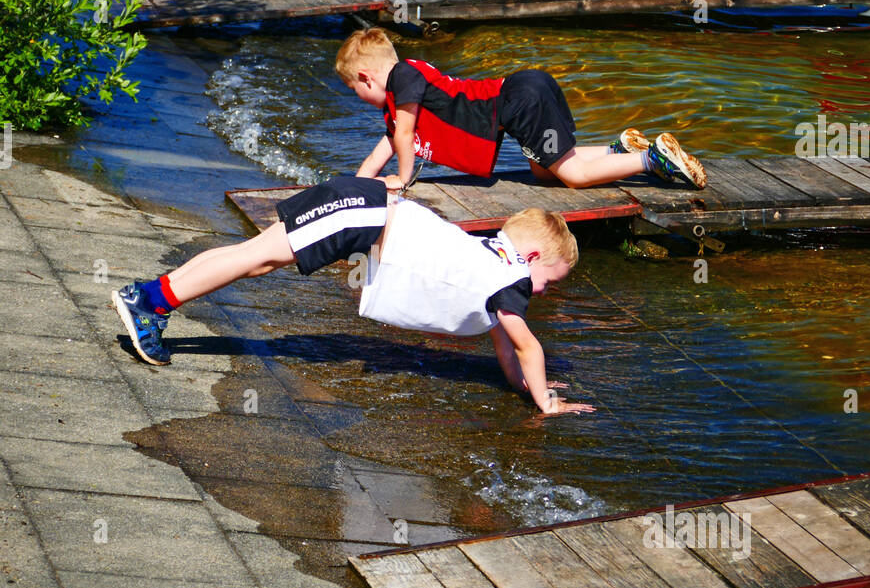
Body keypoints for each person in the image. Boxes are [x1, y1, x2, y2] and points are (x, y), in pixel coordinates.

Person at [112, 176, 593, 415]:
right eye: (550, 280)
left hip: (364, 204)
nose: (543, 291)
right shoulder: (506, 280)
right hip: (361, 217)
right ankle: (149, 303)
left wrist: (525, 386)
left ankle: (151, 297)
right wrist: (547, 402)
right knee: (253, 260)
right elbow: (526, 344)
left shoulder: (494, 258)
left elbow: (505, 346)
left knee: (252, 256)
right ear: (530, 257)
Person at [335, 27, 706, 191]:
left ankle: (653, 159)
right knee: (544, 172)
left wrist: (401, 181)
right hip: (525, 89)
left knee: (573, 175)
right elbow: (381, 150)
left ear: (367, 78)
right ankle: (620, 150)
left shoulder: (403, 77)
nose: (360, 99)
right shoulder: (407, 89)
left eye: (356, 91)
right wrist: (353, 188)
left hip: (520, 102)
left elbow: (402, 137)